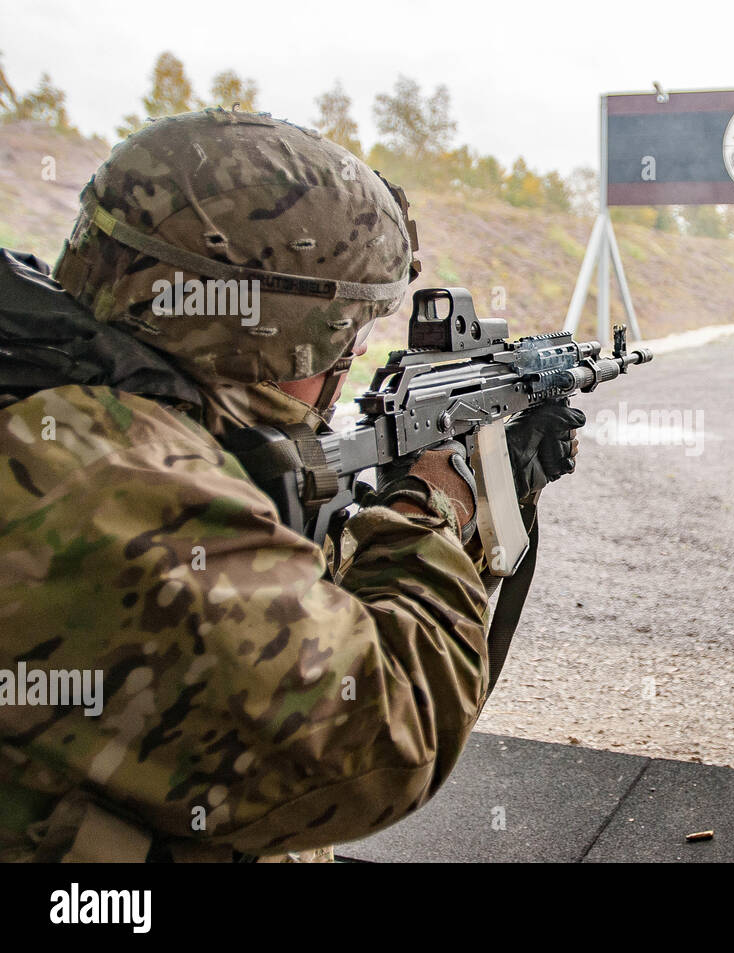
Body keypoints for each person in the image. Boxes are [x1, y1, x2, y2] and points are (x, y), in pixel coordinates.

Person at [0, 108, 583, 862]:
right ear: (272, 330)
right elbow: (386, 734)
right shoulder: (100, 482)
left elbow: (271, 603)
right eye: (348, 333)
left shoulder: (65, 389)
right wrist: (432, 501)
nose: (350, 363)